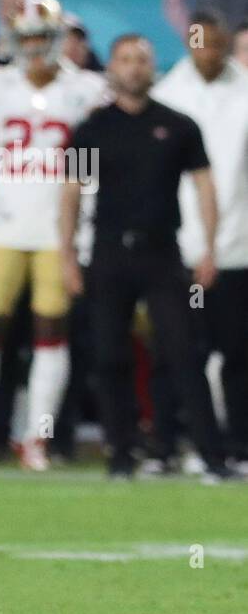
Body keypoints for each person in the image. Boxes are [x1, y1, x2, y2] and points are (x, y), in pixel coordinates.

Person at [0, 0, 108, 472]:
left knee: (51, 332)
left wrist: (86, 209)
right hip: (8, 226)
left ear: (58, 40)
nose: (33, 46)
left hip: (58, 229)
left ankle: (37, 437)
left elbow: (98, 156)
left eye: (41, 37)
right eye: (26, 37)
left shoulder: (86, 90)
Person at [60, 34, 230, 482]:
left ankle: (212, 456)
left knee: (182, 352)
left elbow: (204, 186)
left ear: (152, 67)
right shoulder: (93, 129)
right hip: (110, 249)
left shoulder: (177, 125)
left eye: (142, 59)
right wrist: (66, 256)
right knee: (109, 355)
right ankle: (121, 455)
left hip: (162, 251)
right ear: (112, 68)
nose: (134, 68)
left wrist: (209, 247)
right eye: (125, 59)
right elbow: (72, 195)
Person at [153, 11, 248, 469]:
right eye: (200, 43)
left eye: (216, 43)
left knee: (238, 351)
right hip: (179, 250)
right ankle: (172, 445)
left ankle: (237, 446)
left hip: (239, 248)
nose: (208, 52)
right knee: (178, 352)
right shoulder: (165, 97)